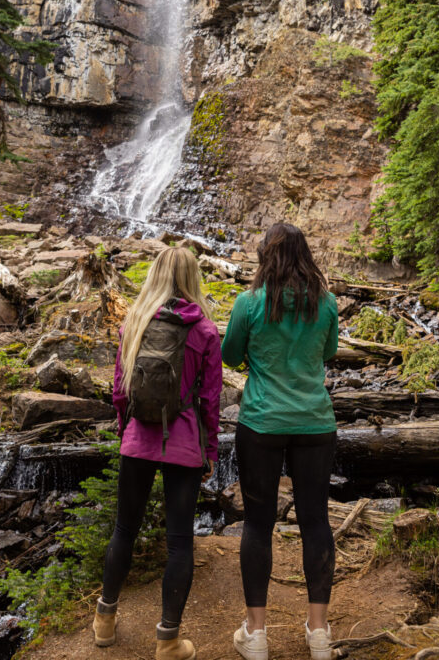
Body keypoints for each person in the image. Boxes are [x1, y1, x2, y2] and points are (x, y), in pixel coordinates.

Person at [93, 246, 222, 660]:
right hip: (183, 446)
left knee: (124, 531)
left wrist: (124, 430)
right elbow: (210, 400)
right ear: (192, 277)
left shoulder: (134, 320)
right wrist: (211, 451)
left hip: (138, 440)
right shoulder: (204, 330)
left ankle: (104, 620)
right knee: (180, 543)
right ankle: (167, 641)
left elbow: (119, 389)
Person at [221, 223, 338, 660]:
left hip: (262, 421)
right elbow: (327, 354)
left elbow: (230, 355)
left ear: (265, 257)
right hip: (314, 422)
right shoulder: (325, 304)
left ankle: (256, 634)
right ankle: (320, 632)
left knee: (257, 523)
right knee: (316, 521)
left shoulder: (249, 303)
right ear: (305, 255)